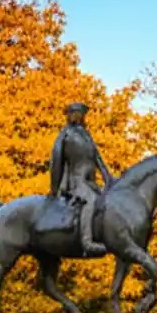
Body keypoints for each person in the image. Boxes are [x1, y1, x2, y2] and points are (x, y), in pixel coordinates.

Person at [49, 101, 115, 256]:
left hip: (90, 182)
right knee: (90, 200)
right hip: (75, 182)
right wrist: (55, 187)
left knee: (106, 201)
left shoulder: (86, 135)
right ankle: (87, 241)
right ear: (70, 115)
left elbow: (97, 158)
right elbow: (56, 161)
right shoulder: (65, 135)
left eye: (81, 113)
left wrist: (108, 178)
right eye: (75, 113)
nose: (79, 116)